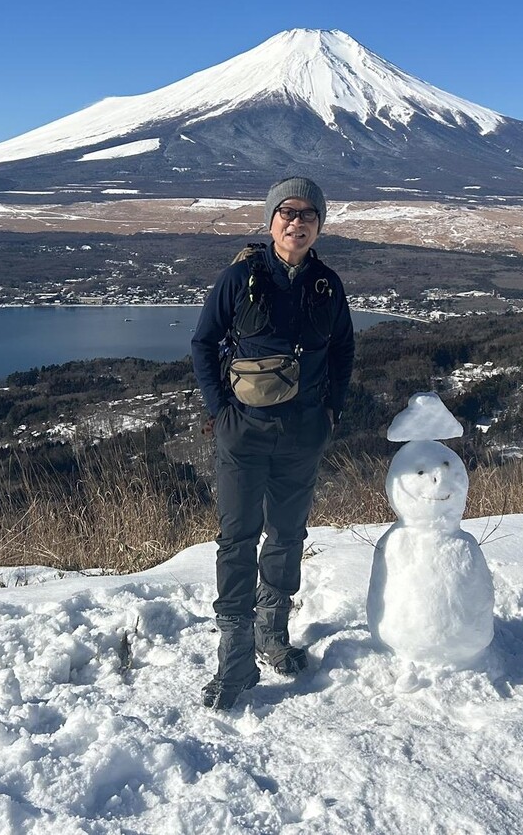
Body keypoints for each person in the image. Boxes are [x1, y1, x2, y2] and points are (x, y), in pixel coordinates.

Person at [190, 175, 355, 709]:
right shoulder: (241, 277)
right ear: (271, 220)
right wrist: (221, 411)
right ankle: (235, 658)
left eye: (308, 214)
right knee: (237, 539)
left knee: (286, 534)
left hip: (303, 432)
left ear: (319, 225)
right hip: (244, 431)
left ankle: (271, 633)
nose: (297, 222)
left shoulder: (327, 284)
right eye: (288, 212)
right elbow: (203, 341)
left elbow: (343, 350)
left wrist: (330, 410)